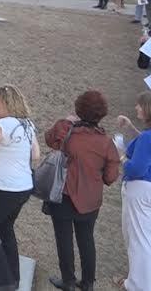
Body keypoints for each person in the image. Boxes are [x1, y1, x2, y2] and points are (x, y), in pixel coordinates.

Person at [43, 90, 120, 291]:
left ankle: (68, 281)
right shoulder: (106, 143)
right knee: (87, 240)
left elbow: (50, 139)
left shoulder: (69, 133)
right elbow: (110, 178)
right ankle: (87, 283)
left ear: (79, 110)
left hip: (64, 195)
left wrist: (65, 121)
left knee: (64, 239)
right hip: (90, 201)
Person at [0, 85, 40, 291]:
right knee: (5, 228)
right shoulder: (27, 124)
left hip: (6, 188)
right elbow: (36, 156)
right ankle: (12, 275)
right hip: (24, 187)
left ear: (5, 102)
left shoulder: (2, 125)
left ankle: (3, 281)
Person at [117, 91, 151, 291]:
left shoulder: (147, 138)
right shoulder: (147, 136)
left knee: (138, 240)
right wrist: (131, 128)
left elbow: (136, 168)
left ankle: (138, 285)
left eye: (140, 105)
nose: (136, 107)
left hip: (140, 190)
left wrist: (121, 157)